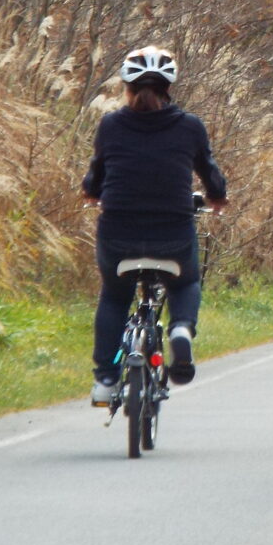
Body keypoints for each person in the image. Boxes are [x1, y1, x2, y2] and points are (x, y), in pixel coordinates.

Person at [82, 46, 227, 406]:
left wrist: (92, 193)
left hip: (118, 234)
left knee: (115, 295)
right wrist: (216, 198)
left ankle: (105, 380)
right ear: (168, 88)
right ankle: (181, 329)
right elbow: (210, 175)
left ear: (127, 87)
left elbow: (96, 176)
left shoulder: (110, 125)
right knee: (186, 282)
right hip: (172, 234)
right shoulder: (190, 127)